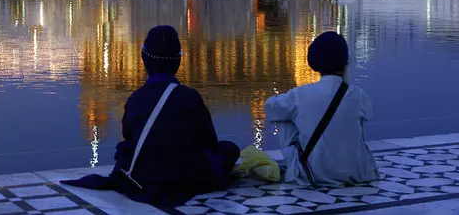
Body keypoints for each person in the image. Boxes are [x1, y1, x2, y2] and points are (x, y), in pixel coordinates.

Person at [63, 25, 240, 207]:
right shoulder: (190, 97)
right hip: (187, 173)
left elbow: (130, 137)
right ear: (177, 62)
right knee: (229, 149)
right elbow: (210, 141)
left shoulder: (136, 99)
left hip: (146, 174)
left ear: (145, 60)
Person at [264, 31, 378, 186]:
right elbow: (367, 114)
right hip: (357, 173)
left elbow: (270, 108)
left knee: (285, 117)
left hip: (315, 174)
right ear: (346, 61)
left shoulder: (300, 94)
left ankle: (300, 166)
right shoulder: (359, 95)